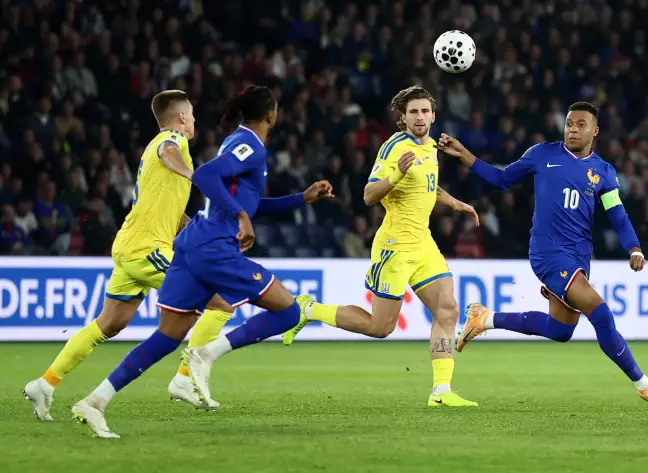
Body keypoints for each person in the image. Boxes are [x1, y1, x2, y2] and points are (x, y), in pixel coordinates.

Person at [70, 85, 334, 438]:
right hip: (215, 249)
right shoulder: (250, 145)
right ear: (271, 115)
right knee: (288, 312)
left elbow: (252, 203)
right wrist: (240, 215)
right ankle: (206, 354)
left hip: (190, 247)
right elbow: (208, 176)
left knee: (166, 337)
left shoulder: (238, 144)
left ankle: (95, 401)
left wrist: (301, 198)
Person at [438, 101, 648, 411]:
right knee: (601, 314)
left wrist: (634, 247)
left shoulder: (604, 172)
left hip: (579, 257)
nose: (572, 129)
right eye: (569, 123)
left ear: (594, 131)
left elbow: (618, 215)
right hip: (548, 252)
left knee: (560, 330)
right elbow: (501, 179)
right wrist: (464, 155)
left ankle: (485, 318)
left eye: (581, 125)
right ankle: (645, 385)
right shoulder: (542, 154)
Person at [23, 90, 231, 418]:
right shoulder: (172, 141)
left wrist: (203, 232)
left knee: (110, 323)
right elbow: (168, 151)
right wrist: (195, 175)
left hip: (128, 247)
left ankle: (45, 384)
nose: (193, 120)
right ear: (179, 117)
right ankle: (185, 379)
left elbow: (173, 215)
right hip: (149, 249)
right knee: (221, 300)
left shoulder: (156, 155)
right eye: (190, 114)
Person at [282, 85, 480, 407]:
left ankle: (441, 392)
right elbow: (369, 194)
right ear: (403, 117)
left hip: (423, 245)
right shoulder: (393, 148)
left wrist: (455, 203)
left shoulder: (430, 145)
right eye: (413, 112)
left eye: (424, 111)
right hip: (395, 247)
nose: (419, 117)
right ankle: (309, 309)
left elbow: (428, 185)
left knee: (448, 309)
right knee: (380, 326)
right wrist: (396, 176)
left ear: (433, 115)